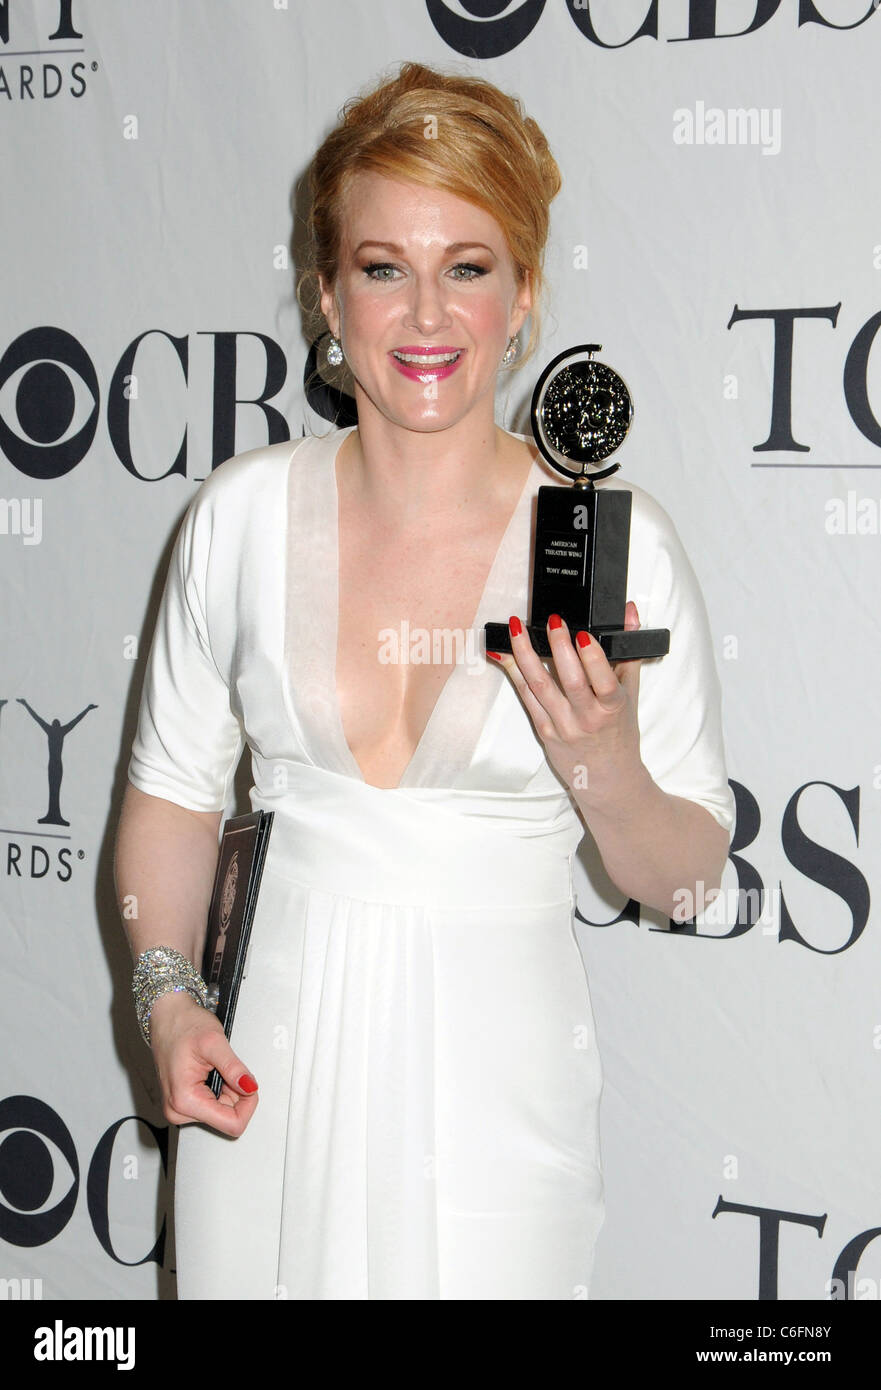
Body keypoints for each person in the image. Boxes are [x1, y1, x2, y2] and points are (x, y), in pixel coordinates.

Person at [113, 61, 734, 1301]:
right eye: (385, 267)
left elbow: (693, 884)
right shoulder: (238, 518)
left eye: (470, 265)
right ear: (328, 296)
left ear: (524, 297)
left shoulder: (610, 544)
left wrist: (608, 771)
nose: (427, 314)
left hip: (496, 1114)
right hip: (262, 1091)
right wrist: (169, 1001)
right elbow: (174, 795)